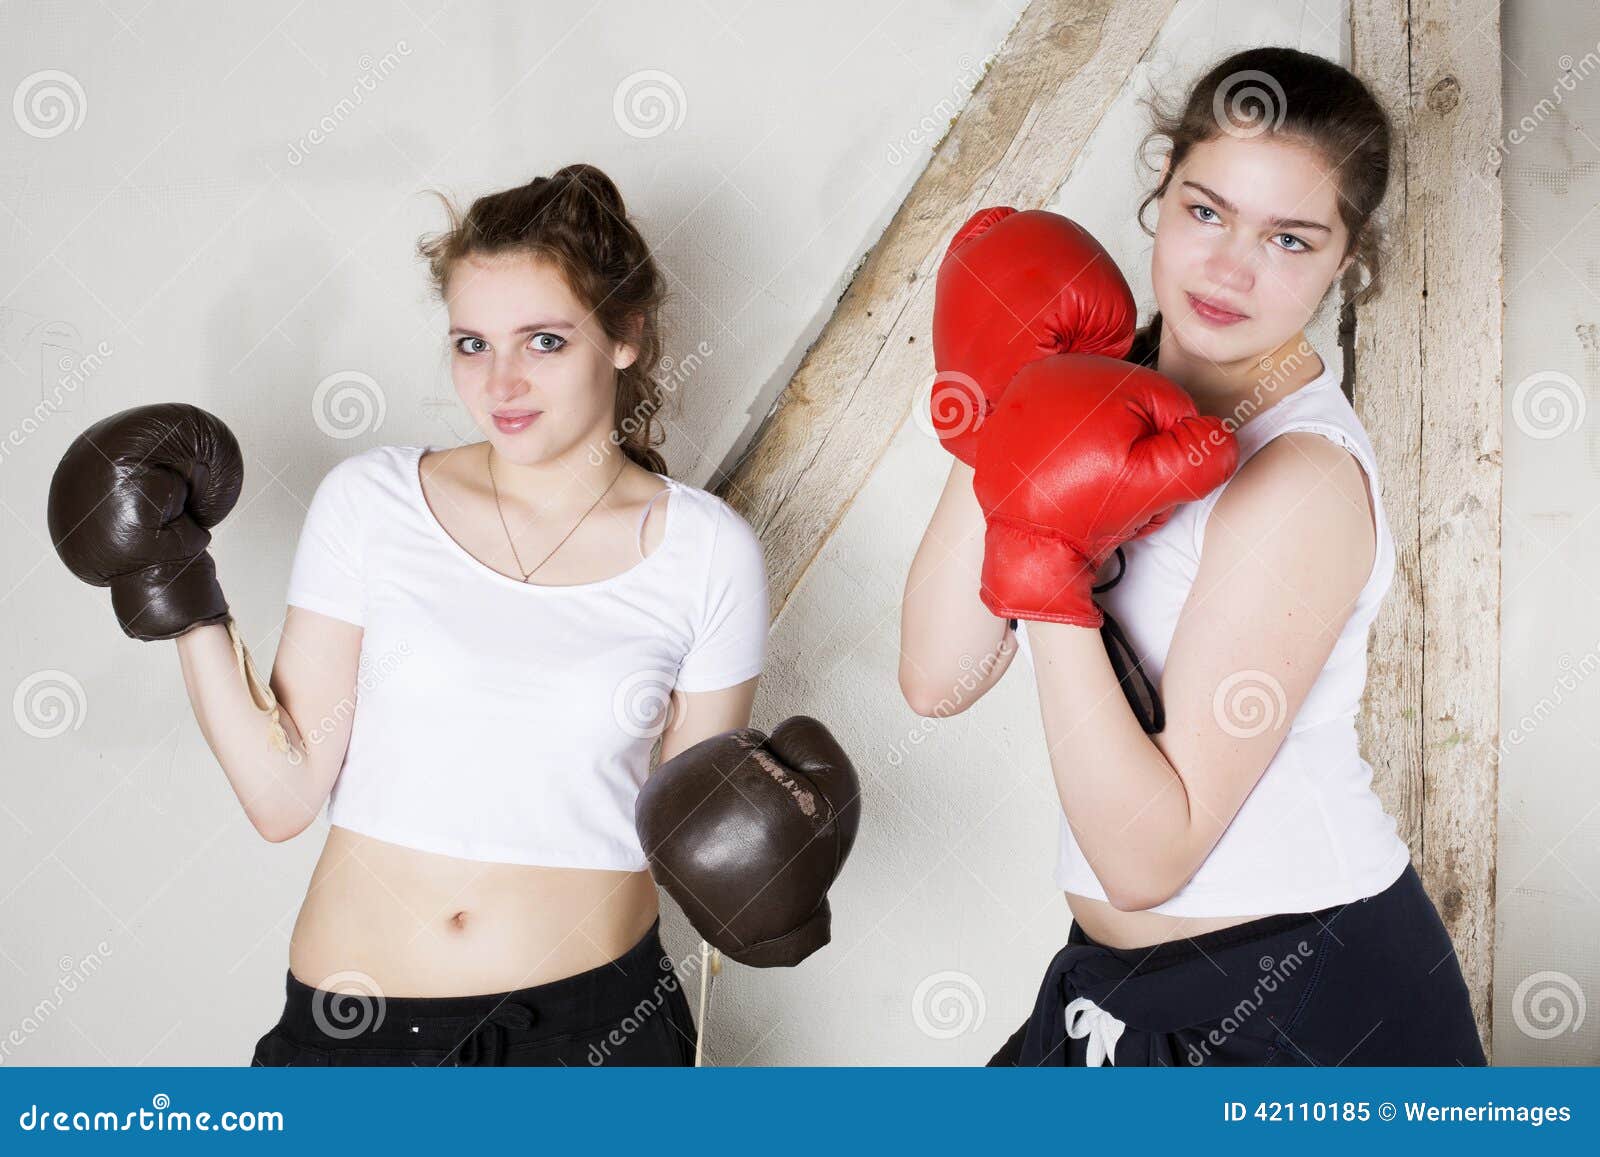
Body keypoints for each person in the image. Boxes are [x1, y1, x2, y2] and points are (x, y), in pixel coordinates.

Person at [50, 163, 772, 1066]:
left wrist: (772, 872)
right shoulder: (372, 503)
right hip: (356, 1031)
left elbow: (683, 838)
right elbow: (282, 798)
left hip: (594, 1032)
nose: (501, 380)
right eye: (472, 343)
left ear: (625, 335)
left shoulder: (707, 553)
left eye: (543, 341)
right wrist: (179, 587)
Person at [900, 46, 1486, 1066]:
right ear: (1159, 195)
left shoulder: (1297, 479)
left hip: (1304, 997)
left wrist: (1045, 566)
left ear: (1344, 263)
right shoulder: (1089, 382)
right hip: (1111, 984)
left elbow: (1146, 856)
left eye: (1289, 239)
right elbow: (934, 676)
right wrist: (1004, 409)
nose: (1227, 268)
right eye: (1205, 211)